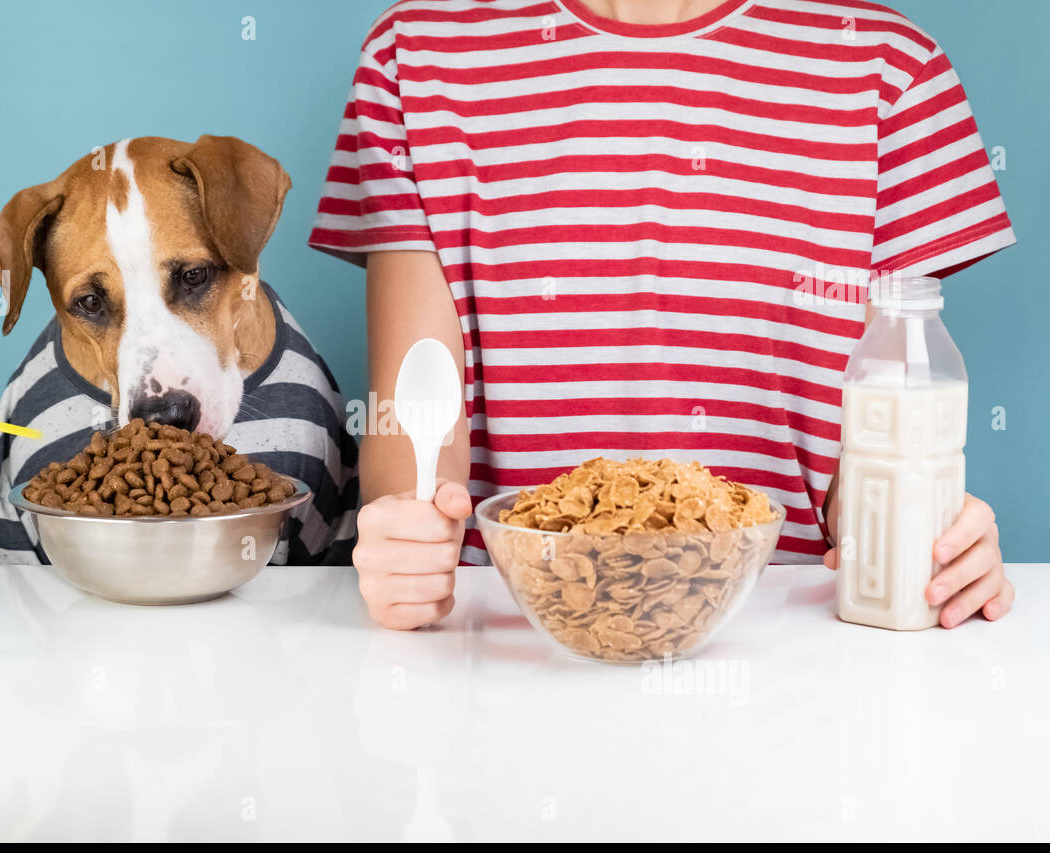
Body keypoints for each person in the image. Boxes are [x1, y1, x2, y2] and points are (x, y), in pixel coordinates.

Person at [309, 0, 1016, 629]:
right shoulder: (417, 53)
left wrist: (925, 535)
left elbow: (873, 446)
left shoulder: (890, 66)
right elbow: (420, 418)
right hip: (518, 632)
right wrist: (406, 540)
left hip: (796, 637)